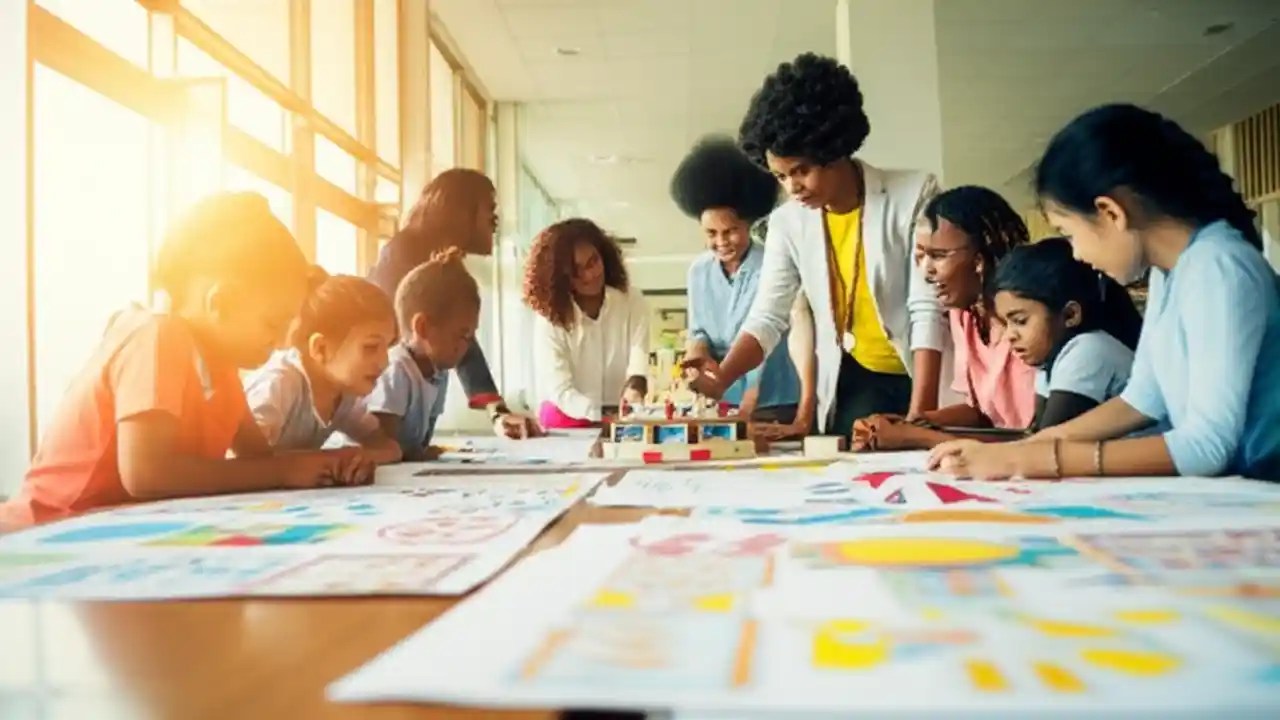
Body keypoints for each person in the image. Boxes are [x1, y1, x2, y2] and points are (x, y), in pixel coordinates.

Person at [931, 103, 1280, 481]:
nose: (1077, 253)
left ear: (1111, 212)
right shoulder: (1170, 273)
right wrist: (1020, 449)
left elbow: (1206, 448)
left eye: (1069, 233)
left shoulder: (1219, 266)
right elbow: (1142, 399)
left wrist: (1028, 462)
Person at [0, 193, 371, 530]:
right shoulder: (157, 335)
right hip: (48, 526)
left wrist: (332, 465)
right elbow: (146, 473)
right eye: (271, 323)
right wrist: (285, 469)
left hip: (115, 529)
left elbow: (258, 457)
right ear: (220, 302)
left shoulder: (220, 363)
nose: (279, 342)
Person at [682, 53, 947, 438]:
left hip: (922, 372)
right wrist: (722, 378)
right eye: (780, 176)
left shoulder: (913, 194)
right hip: (856, 379)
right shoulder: (789, 222)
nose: (792, 187)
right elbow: (768, 318)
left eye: (801, 170)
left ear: (834, 149)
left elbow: (927, 308)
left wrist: (920, 418)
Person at [854, 186, 1033, 451]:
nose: (926, 272)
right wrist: (914, 422)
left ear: (980, 258)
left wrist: (916, 437)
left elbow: (1033, 438)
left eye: (938, 256)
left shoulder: (1031, 321)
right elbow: (981, 412)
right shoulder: (964, 316)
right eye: (921, 256)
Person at [368, 168, 540, 439]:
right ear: (461, 211)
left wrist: (497, 411)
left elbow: (460, 337)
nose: (495, 220)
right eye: (489, 209)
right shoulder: (402, 253)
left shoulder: (443, 262)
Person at [670, 135, 815, 436]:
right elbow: (699, 332)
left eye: (731, 231)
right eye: (711, 233)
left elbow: (769, 333)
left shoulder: (775, 264)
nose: (721, 242)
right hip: (722, 402)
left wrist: (752, 396)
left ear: (748, 223)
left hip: (776, 402)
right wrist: (696, 353)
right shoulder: (698, 271)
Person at [243, 270, 402, 462]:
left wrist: (352, 461)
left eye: (388, 347)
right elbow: (243, 457)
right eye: (370, 347)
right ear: (321, 348)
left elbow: (388, 448)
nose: (384, 362)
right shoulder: (280, 384)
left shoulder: (345, 397)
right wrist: (327, 460)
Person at [991, 237, 1142, 430]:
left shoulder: (1089, 351)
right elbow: (1034, 436)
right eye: (1006, 323)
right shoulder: (1052, 360)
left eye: (1020, 321)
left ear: (1070, 314)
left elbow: (1044, 447)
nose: (1009, 335)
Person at [523, 219, 649, 428]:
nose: (589, 275)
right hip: (564, 421)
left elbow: (639, 360)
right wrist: (604, 413)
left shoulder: (632, 302)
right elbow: (560, 390)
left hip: (620, 420)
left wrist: (634, 390)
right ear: (559, 276)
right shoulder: (550, 318)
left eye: (593, 262)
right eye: (576, 270)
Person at [368, 248, 482, 460]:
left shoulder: (439, 373)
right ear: (423, 327)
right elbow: (382, 447)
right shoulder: (397, 371)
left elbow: (421, 442)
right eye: (462, 334)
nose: (466, 346)